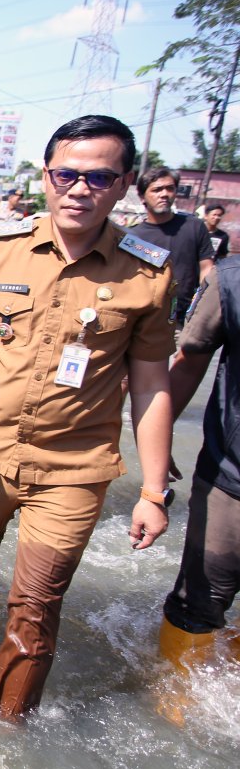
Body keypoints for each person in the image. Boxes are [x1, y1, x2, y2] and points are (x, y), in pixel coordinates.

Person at [0, 114, 175, 721]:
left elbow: (153, 386)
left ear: (124, 183)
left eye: (99, 177)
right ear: (46, 176)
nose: (80, 188)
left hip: (73, 469)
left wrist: (155, 492)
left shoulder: (148, 275)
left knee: (35, 608)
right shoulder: (0, 251)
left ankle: (5, 734)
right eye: (67, 174)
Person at [158, 257, 240, 675]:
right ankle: (175, 704)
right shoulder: (231, 280)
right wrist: (158, 436)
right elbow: (189, 360)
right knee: (199, 600)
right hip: (232, 479)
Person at [129, 168, 214, 327]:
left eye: (170, 188)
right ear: (142, 196)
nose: (164, 194)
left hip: (183, 319)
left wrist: (203, 306)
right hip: (143, 320)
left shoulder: (194, 226)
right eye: (156, 189)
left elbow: (207, 269)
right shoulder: (133, 237)